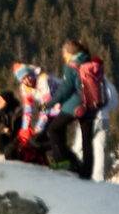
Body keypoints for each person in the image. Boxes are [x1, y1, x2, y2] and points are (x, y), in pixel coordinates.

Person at [42, 40, 104, 179]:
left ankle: (63, 162)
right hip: (92, 105)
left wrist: (50, 103)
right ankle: (86, 173)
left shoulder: (72, 66)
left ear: (70, 53)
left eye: (64, 53)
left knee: (53, 129)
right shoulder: (90, 62)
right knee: (87, 140)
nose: (63, 55)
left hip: (76, 105)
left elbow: (65, 89)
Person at [90, 72, 119, 182]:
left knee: (81, 146)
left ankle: (79, 172)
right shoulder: (108, 84)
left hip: (91, 118)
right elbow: (115, 103)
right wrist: (106, 110)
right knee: (99, 149)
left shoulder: (88, 80)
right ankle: (98, 177)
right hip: (105, 119)